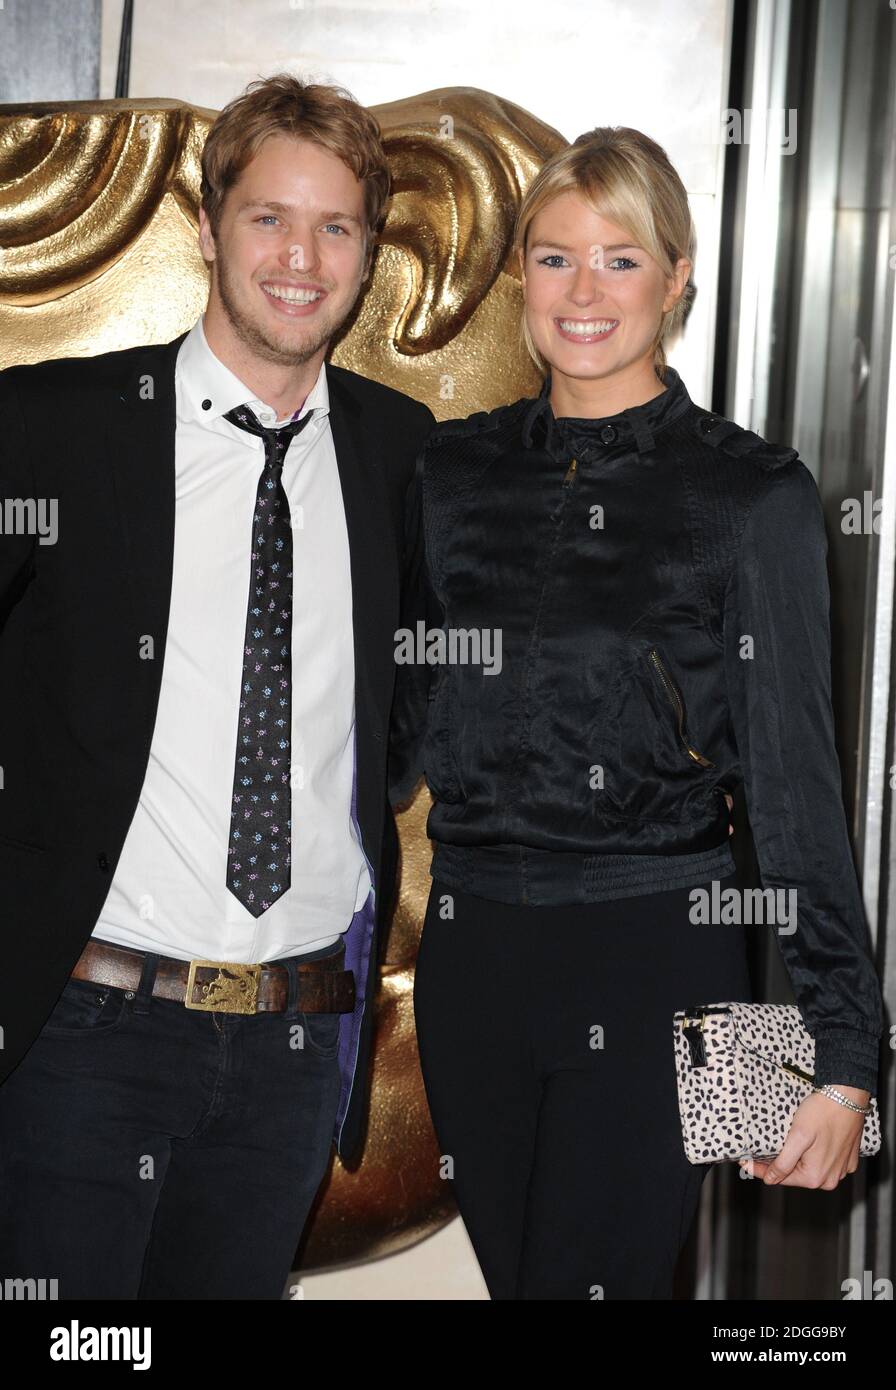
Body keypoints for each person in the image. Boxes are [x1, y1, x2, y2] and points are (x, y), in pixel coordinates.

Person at [411, 126, 885, 1300]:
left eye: (620, 259)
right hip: (469, 961)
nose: (583, 292)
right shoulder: (445, 474)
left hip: (651, 950)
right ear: (517, 272)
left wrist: (842, 1055)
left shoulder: (745, 493)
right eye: (555, 256)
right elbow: (389, 726)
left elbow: (789, 780)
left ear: (677, 278)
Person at [0, 72, 434, 1299]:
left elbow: (420, 693)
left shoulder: (404, 459)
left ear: (364, 252)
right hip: (84, 1032)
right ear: (208, 228)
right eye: (268, 217)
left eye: (336, 225)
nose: (301, 257)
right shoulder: (55, 430)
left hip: (295, 1046)